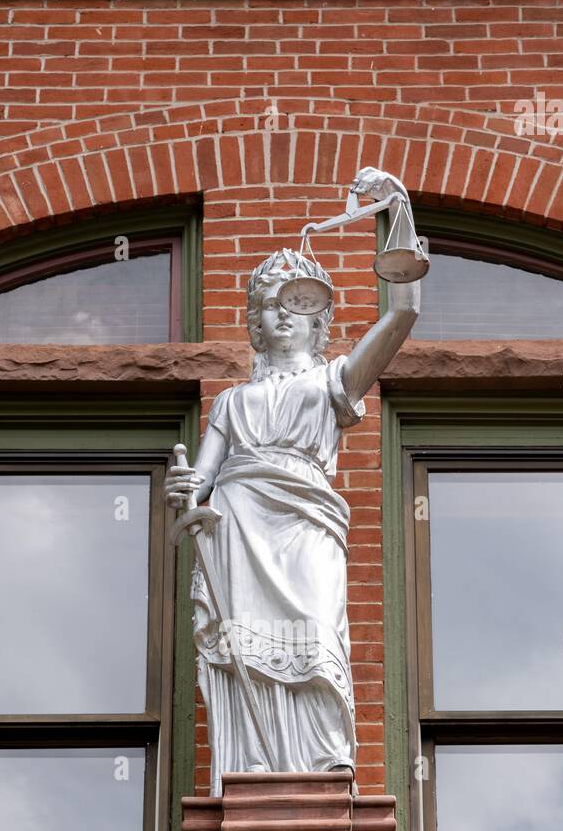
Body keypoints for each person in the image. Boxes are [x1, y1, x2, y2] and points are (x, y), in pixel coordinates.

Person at [165, 167, 420, 797]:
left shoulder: (332, 383)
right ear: (254, 322)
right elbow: (199, 482)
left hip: (305, 519)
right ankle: (250, 765)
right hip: (238, 520)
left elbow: (404, 312)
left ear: (317, 323)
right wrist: (184, 490)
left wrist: (397, 219)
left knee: (312, 626)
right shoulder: (230, 403)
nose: (280, 318)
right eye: (267, 307)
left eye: (295, 306)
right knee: (243, 647)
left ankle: (324, 764)